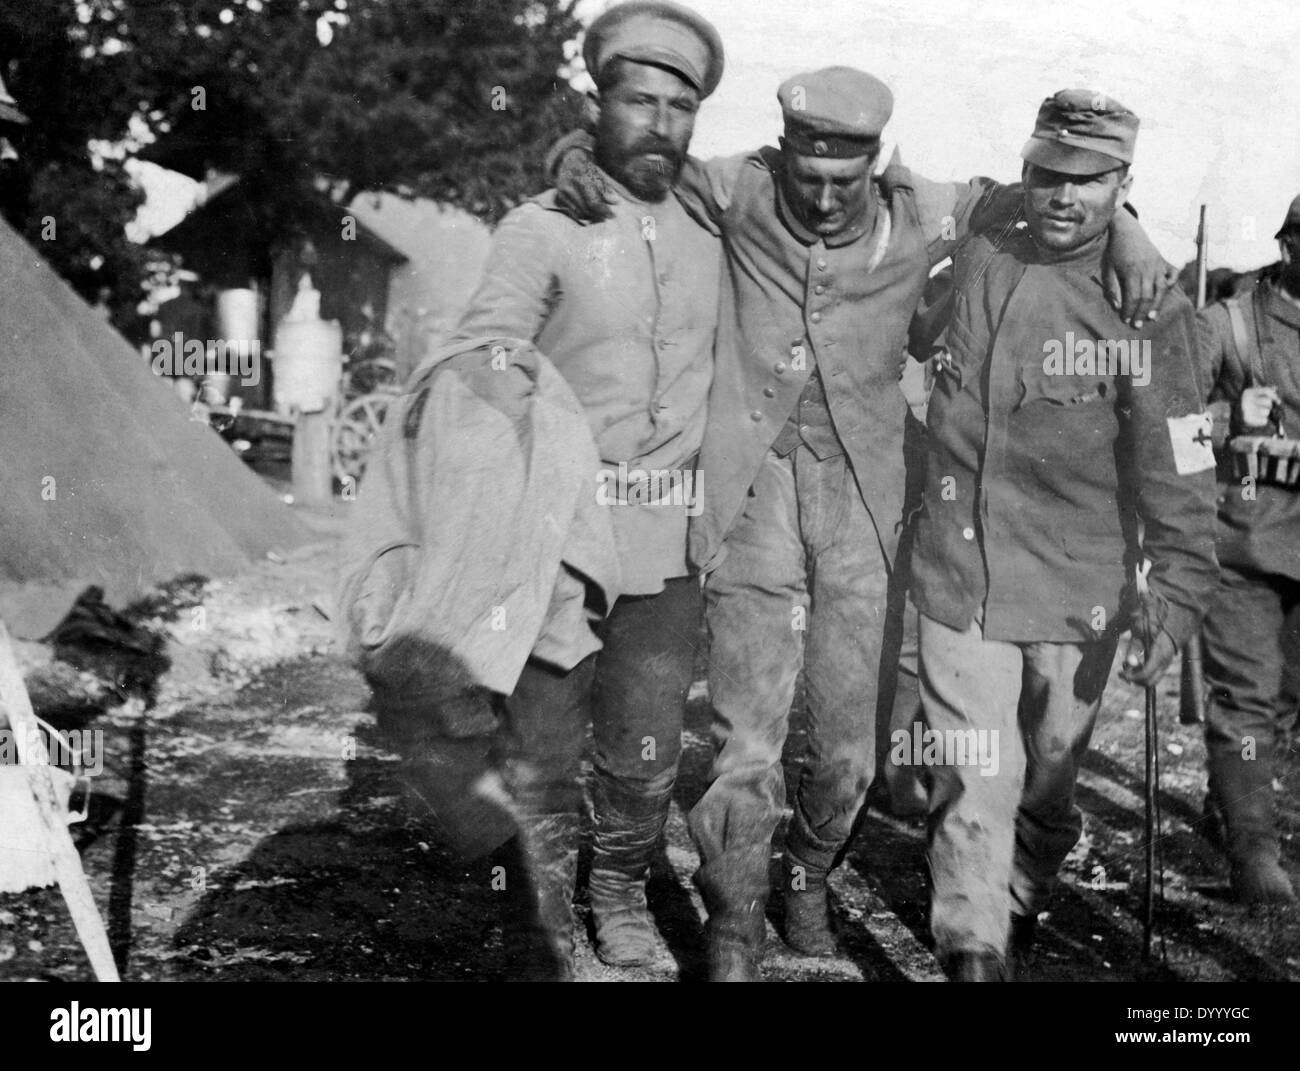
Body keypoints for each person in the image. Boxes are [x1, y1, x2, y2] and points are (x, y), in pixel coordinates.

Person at [553, 67, 1175, 981]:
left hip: (868, 503)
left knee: (850, 749)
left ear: (876, 160)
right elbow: (646, 162)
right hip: (754, 494)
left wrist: (1127, 225)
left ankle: (809, 869)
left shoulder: (926, 209)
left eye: (848, 171)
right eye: (809, 166)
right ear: (783, 150)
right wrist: (575, 149)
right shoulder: (737, 185)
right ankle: (735, 921)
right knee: (747, 734)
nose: (825, 190)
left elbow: (1046, 194)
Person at [417, 0, 725, 980]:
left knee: (644, 750)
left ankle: (620, 903)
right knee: (544, 745)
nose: (661, 125)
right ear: (599, 104)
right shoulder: (541, 226)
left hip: (668, 540)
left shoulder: (718, 228)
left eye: (681, 107)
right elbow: (481, 350)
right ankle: (545, 924)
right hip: (557, 537)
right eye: (639, 100)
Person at [909, 90, 1220, 980]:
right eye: (1047, 171)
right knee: (976, 772)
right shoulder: (982, 239)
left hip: (1072, 584)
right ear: (1025, 167)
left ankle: (1017, 900)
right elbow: (898, 188)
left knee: (1046, 781)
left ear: (1123, 184)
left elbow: (1185, 465)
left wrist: (1181, 591)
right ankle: (973, 950)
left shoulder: (1151, 310)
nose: (1061, 195)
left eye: (1089, 181)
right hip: (957, 567)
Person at [1194, 192, 1300, 904]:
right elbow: (1158, 433)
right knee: (1247, 698)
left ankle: (1233, 803)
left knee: (1287, 699)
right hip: (1246, 545)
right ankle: (1255, 849)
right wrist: (1227, 420)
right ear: (1290, 247)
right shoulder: (1226, 325)